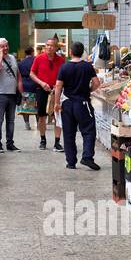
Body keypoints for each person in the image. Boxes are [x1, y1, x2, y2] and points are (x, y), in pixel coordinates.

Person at [51, 41, 102, 171]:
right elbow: (97, 83)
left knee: (68, 133)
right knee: (89, 130)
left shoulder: (64, 67)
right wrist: (88, 90)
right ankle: (87, 157)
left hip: (67, 104)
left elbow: (58, 86)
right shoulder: (87, 67)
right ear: (82, 52)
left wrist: (57, 103)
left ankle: (71, 162)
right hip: (82, 103)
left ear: (71, 52)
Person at [31, 37, 65, 151]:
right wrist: (41, 83)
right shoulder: (39, 58)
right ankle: (43, 139)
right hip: (42, 89)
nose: (49, 47)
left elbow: (64, 76)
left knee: (57, 116)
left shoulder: (61, 60)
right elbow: (32, 73)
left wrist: (59, 86)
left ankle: (57, 141)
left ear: (56, 48)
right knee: (41, 116)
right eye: (47, 45)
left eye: (52, 45)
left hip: (56, 91)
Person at [0, 38, 20, 152]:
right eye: (2, 46)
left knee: (11, 121)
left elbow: (17, 73)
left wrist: (20, 88)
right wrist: (1, 56)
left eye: (6, 46)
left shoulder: (12, 58)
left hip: (12, 94)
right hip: (0, 94)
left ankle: (10, 144)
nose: (5, 48)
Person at [17, 47, 37, 133]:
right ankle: (39, 122)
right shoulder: (36, 61)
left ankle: (27, 123)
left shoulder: (21, 63)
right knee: (37, 105)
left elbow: (18, 75)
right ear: (32, 52)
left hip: (24, 84)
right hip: (35, 84)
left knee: (25, 105)